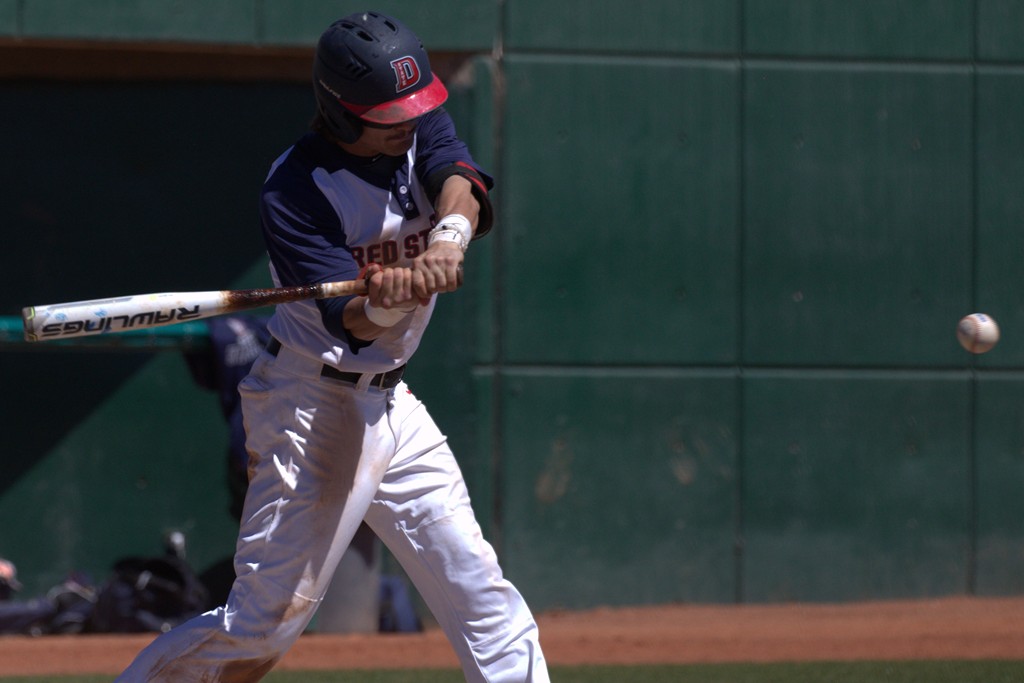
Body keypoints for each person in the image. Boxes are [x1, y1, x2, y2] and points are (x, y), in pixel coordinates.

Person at [117, 11, 550, 682]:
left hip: (393, 403)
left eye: (413, 108)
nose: (407, 121)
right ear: (343, 113)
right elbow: (353, 322)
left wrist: (447, 240)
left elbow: (460, 181)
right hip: (309, 407)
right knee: (260, 625)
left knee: (476, 585)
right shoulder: (293, 189)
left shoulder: (419, 122)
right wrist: (392, 293)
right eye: (387, 115)